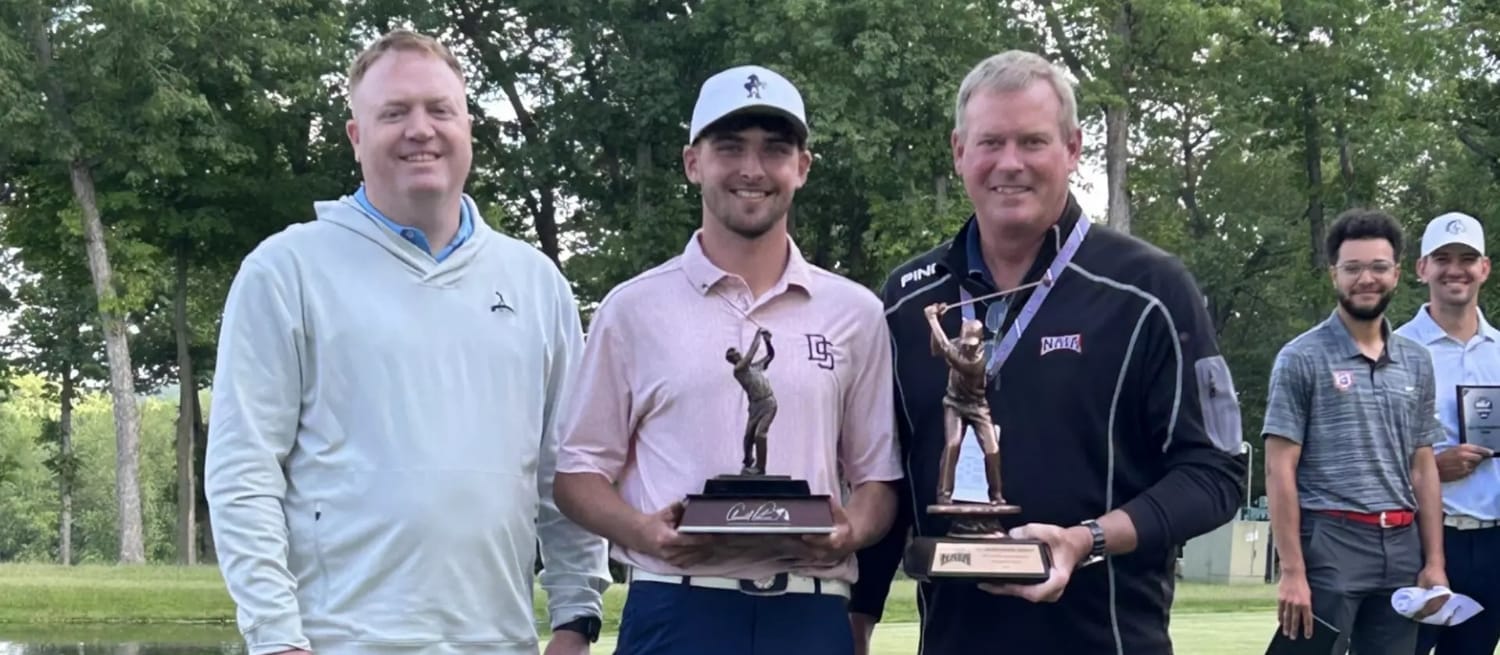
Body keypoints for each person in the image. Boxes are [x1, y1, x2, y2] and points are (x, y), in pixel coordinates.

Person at [204, 29, 610, 655]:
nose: (420, 129)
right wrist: (276, 636)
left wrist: (576, 619)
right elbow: (244, 470)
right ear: (356, 137)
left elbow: (564, 471)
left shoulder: (537, 284)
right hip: (334, 642)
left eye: (439, 109)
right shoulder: (287, 271)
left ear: (467, 125)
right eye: (393, 113)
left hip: (498, 641)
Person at [848, 49, 1247, 654]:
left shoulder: (1151, 290)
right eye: (990, 142)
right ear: (959, 151)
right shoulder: (908, 301)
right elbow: (889, 481)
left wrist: (1085, 539)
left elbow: (1216, 474)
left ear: (1073, 148)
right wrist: (858, 624)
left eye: (1032, 142)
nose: (1010, 163)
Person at [551, 64, 902, 655]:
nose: (751, 169)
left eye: (774, 150)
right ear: (694, 163)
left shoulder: (856, 313)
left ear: (802, 168)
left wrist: (848, 532)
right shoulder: (633, 308)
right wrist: (643, 531)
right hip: (675, 605)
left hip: (810, 611)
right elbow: (577, 474)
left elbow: (878, 479)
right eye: (730, 147)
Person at [1262, 208, 1447, 655]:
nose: (1367, 278)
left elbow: (1423, 467)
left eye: (1378, 267)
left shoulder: (1417, 361)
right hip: (1330, 542)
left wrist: (1435, 563)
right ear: (1334, 275)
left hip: (1401, 547)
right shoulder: (1301, 357)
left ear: (1398, 274)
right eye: (1353, 268)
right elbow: (1278, 468)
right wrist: (1291, 571)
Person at [1395, 212, 1500, 655]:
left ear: (1484, 268)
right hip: (1418, 541)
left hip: (1494, 544)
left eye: (1467, 258)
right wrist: (1431, 469)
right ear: (1422, 269)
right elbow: (1371, 459)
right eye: (1442, 258)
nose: (1455, 269)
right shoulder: (1394, 351)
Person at [726, 327, 777, 474]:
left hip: (768, 403)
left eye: (736, 352)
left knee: (760, 435)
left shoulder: (754, 368)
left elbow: (770, 356)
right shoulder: (739, 369)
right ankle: (748, 461)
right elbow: (750, 355)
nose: (737, 354)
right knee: (748, 437)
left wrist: (768, 342)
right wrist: (758, 334)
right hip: (755, 407)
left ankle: (760, 468)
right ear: (732, 360)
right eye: (733, 355)